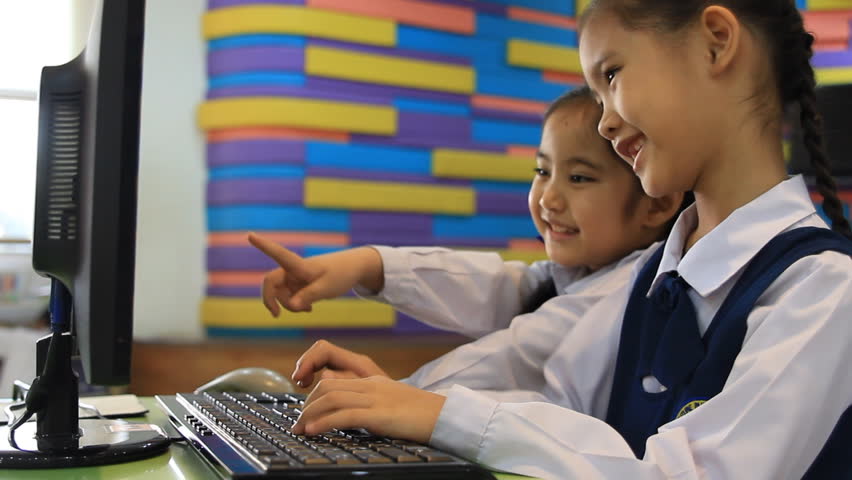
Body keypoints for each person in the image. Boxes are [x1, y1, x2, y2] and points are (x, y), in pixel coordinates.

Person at [256, 1, 852, 478]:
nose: (605, 121)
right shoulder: (653, 276)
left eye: (612, 75)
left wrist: (433, 408)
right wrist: (400, 398)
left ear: (715, 42)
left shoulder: (825, 290)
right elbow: (550, 397)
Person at [248, 85, 684, 397]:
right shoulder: (578, 272)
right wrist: (366, 265)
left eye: (579, 178)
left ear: (657, 204)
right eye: (542, 171)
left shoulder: (629, 289)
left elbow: (521, 354)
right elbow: (498, 286)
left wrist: (400, 394)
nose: (548, 198)